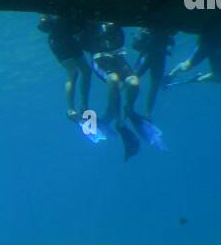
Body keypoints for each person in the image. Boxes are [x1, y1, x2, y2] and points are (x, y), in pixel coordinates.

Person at [81, 21, 152, 160]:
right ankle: (115, 119)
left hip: (118, 57)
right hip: (99, 58)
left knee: (134, 82)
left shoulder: (115, 18)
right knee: (113, 80)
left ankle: (128, 110)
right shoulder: (89, 22)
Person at [38, 14, 93, 131]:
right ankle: (76, 108)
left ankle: (78, 107)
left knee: (80, 71)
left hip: (62, 39)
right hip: (62, 39)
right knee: (78, 72)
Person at [132, 27, 175, 117]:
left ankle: (148, 114)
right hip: (150, 55)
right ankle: (133, 108)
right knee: (133, 79)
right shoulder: (150, 26)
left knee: (154, 86)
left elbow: (171, 40)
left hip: (156, 56)